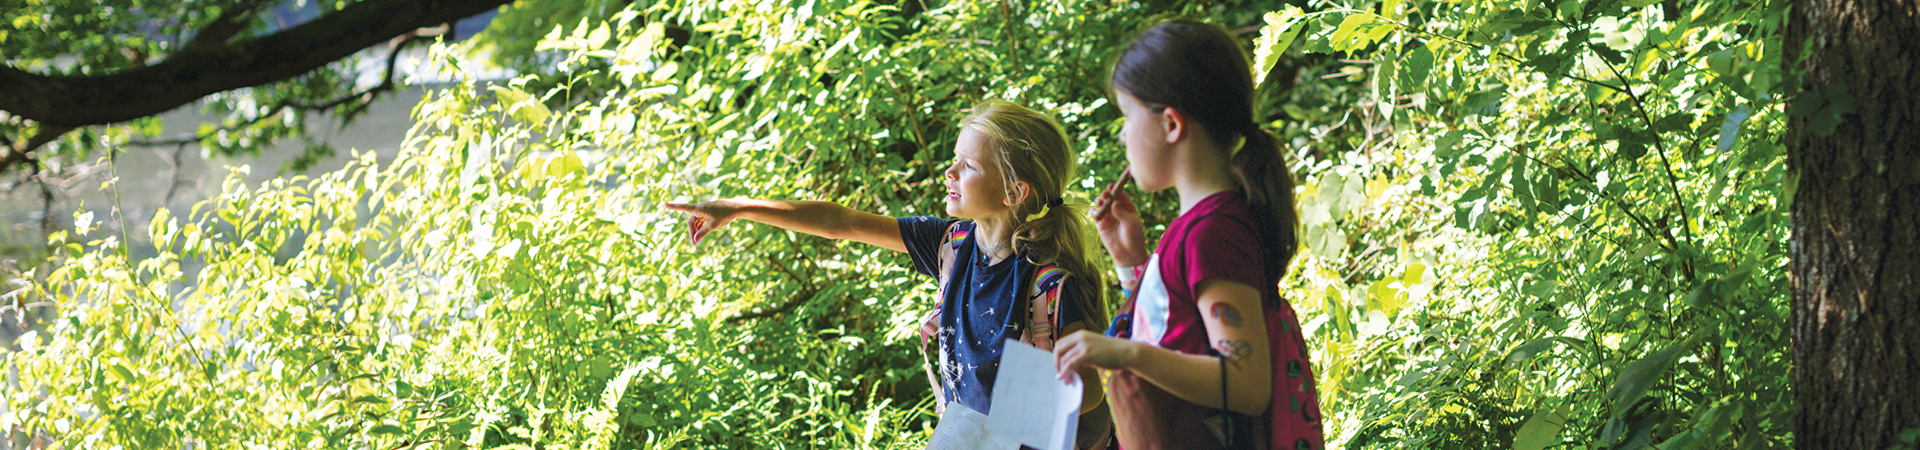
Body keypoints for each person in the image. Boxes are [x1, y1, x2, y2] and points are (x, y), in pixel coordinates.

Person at [665, 99, 1112, 449]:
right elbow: (841, 222)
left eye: (968, 166)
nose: (950, 172)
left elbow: (1089, 392)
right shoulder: (952, 244)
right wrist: (739, 207)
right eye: (955, 159)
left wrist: (996, 413)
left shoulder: (1049, 283)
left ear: (1015, 191)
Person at [1050, 19, 1325, 449]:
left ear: (1171, 125)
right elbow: (1176, 330)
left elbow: (1248, 384)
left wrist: (1124, 354)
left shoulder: (1212, 234)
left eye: (1127, 115)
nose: (1122, 133)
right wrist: (1131, 263)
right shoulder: (1201, 227)